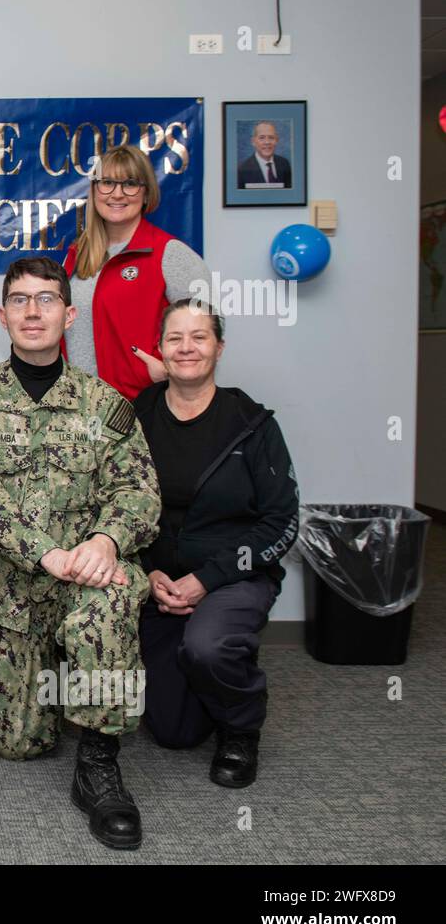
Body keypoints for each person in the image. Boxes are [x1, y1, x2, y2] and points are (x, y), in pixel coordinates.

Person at [0, 255, 161, 851]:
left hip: (86, 576)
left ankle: (99, 764)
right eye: (19, 300)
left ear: (69, 315)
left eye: (45, 300)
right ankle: (63, 678)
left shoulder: (105, 404)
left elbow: (138, 492)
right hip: (7, 589)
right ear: (2, 315)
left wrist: (105, 541)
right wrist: (46, 553)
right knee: (16, 744)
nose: (32, 311)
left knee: (109, 603)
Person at [134, 299, 299, 788]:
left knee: (207, 649)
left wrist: (207, 580)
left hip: (232, 576)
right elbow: (108, 503)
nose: (186, 348)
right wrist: (146, 571)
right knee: (174, 732)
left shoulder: (253, 424)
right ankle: (207, 678)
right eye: (175, 338)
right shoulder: (135, 418)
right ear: (161, 349)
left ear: (219, 348)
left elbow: (282, 521)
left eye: (199, 337)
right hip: (159, 581)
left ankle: (241, 727)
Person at [63, 144, 211, 402]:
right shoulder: (78, 255)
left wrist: (169, 370)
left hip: (144, 406)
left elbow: (208, 328)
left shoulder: (169, 253)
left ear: (146, 193)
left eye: (130, 183)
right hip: (80, 409)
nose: (117, 194)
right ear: (95, 190)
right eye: (107, 182)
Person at [236, 121, 292, 189]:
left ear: (276, 140)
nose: (267, 142)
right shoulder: (242, 171)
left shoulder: (284, 163)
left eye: (271, 137)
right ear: (253, 142)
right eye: (262, 138)